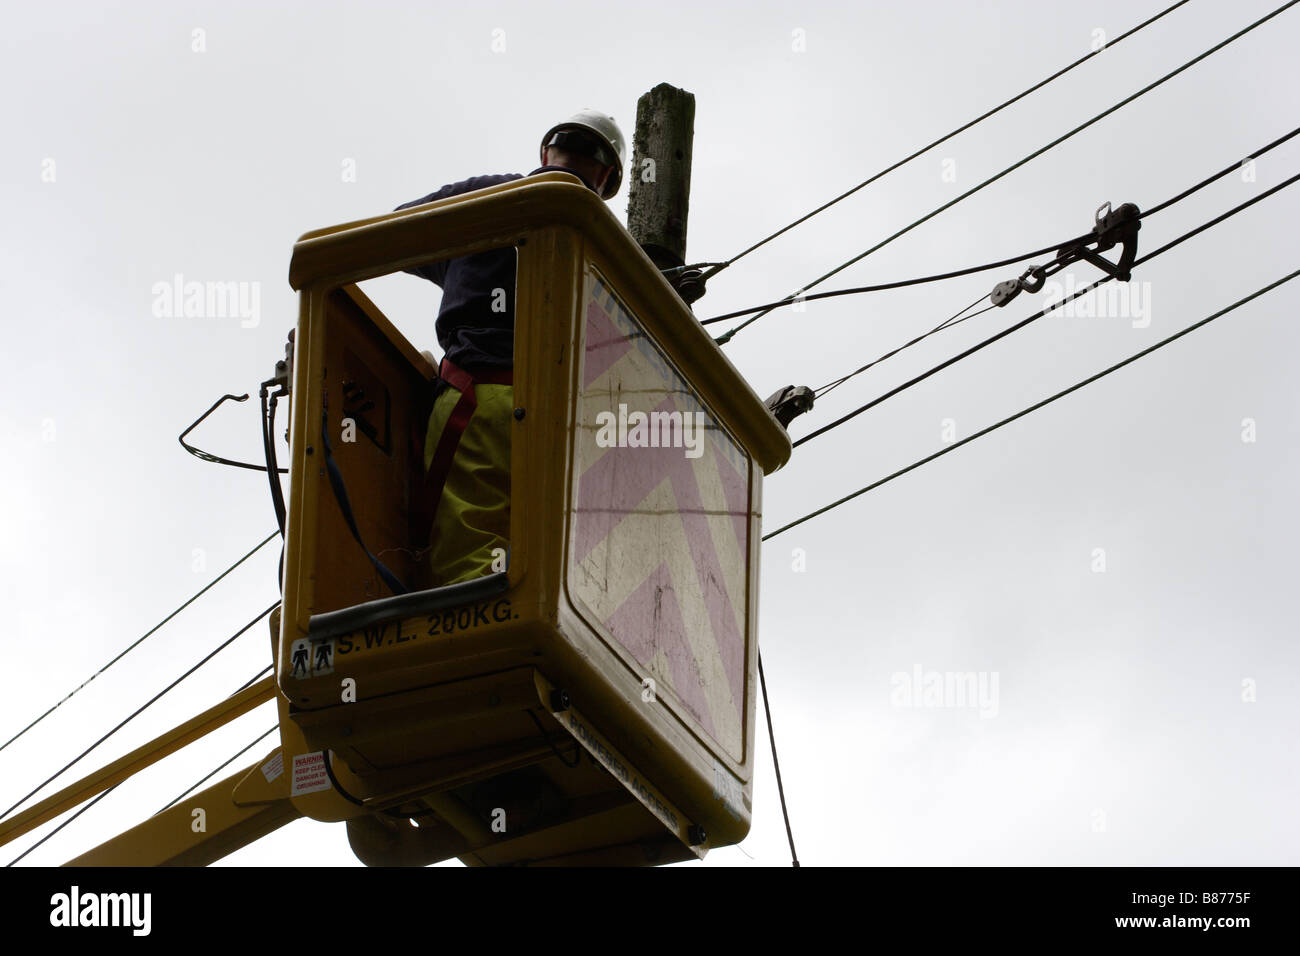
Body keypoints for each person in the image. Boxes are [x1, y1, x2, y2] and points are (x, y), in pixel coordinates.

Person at [396, 110, 626, 586]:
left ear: (545, 153)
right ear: (605, 177)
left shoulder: (492, 194)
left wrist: (466, 259)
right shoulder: (609, 247)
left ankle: (473, 653)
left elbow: (398, 231)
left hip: (481, 403)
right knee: (543, 567)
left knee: (469, 562)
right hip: (569, 430)